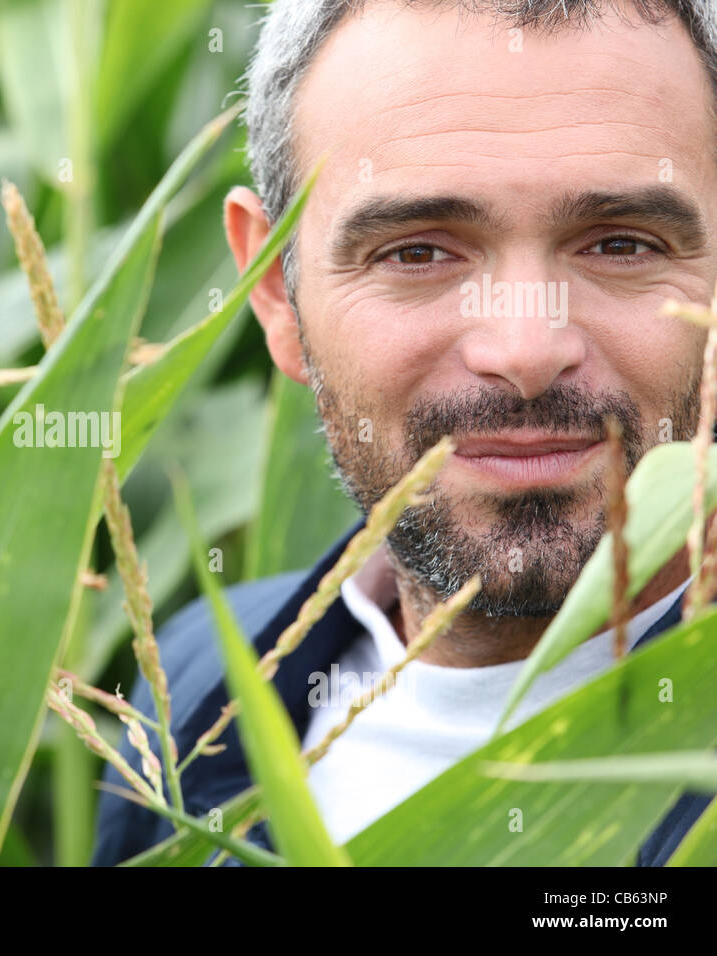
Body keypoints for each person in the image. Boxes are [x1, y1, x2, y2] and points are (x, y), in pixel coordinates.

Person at [92, 0, 717, 867]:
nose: (526, 351)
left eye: (619, 243)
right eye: (418, 253)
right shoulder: (197, 687)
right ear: (275, 294)